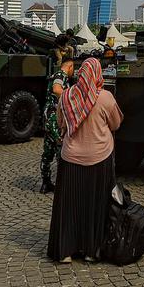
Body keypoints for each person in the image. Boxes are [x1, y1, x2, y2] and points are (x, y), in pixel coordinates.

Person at [48, 57, 123, 263]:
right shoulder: (105, 98)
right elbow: (116, 124)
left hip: (71, 157)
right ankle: (92, 250)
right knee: (95, 205)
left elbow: (62, 124)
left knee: (69, 205)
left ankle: (65, 251)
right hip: (99, 157)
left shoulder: (66, 97)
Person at [39, 55, 76, 193]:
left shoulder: (56, 74)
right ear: (70, 65)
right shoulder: (61, 75)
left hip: (49, 116)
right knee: (61, 150)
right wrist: (71, 97)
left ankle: (46, 183)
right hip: (54, 117)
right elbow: (56, 89)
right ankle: (61, 185)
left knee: (48, 151)